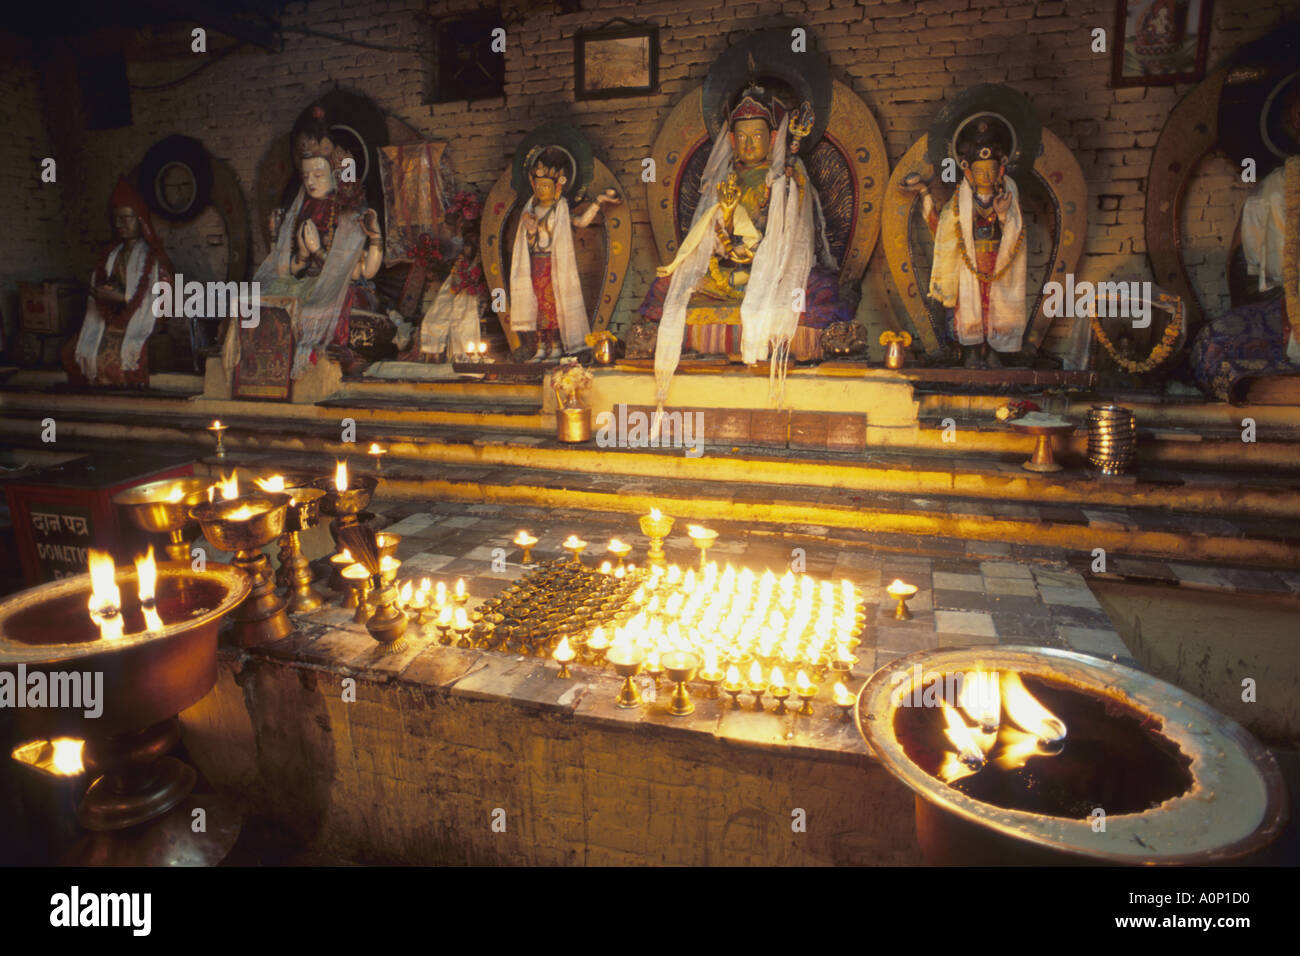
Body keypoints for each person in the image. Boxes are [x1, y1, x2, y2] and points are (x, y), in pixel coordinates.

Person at [646, 85, 842, 402]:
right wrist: (724, 219)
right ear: (733, 141)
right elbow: (709, 234)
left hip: (773, 267)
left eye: (757, 135)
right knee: (665, 287)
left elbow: (795, 234)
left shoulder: (787, 174)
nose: (750, 144)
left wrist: (782, 193)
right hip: (727, 271)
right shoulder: (724, 178)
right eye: (743, 137)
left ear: (774, 138)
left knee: (819, 291)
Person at [227, 105, 383, 379]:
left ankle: (311, 360)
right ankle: (255, 367)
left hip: (337, 285)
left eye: (319, 175)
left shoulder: (347, 210)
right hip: (302, 282)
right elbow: (285, 271)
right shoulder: (301, 209)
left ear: (335, 175)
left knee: (319, 307)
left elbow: (362, 272)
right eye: (306, 175)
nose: (311, 182)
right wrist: (293, 249)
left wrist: (320, 250)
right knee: (252, 300)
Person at [915, 116, 1028, 368]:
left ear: (1001, 168)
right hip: (969, 263)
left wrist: (1001, 214)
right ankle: (972, 350)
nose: (985, 176)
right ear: (967, 171)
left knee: (995, 306)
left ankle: (994, 348)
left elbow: (1015, 232)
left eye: (991, 170)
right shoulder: (960, 200)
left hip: (998, 262)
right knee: (968, 305)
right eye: (979, 171)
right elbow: (942, 227)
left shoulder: (1008, 193)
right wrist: (924, 194)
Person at [509, 146, 618, 361]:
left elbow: (581, 222)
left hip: (555, 265)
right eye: (538, 185)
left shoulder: (560, 209)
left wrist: (599, 202)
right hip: (535, 265)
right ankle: (540, 347)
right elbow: (527, 244)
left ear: (557, 188)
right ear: (532, 185)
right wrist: (530, 231)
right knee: (538, 307)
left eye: (546, 186)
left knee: (555, 305)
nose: (541, 190)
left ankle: (557, 347)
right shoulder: (529, 210)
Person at [62, 178, 174, 387]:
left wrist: (123, 297)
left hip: (138, 320)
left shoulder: (153, 257)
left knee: (131, 348)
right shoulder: (112, 255)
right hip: (109, 319)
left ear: (140, 220)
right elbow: (106, 284)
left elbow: (163, 299)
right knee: (75, 349)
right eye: (116, 219)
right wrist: (105, 294)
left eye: (126, 218)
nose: (119, 224)